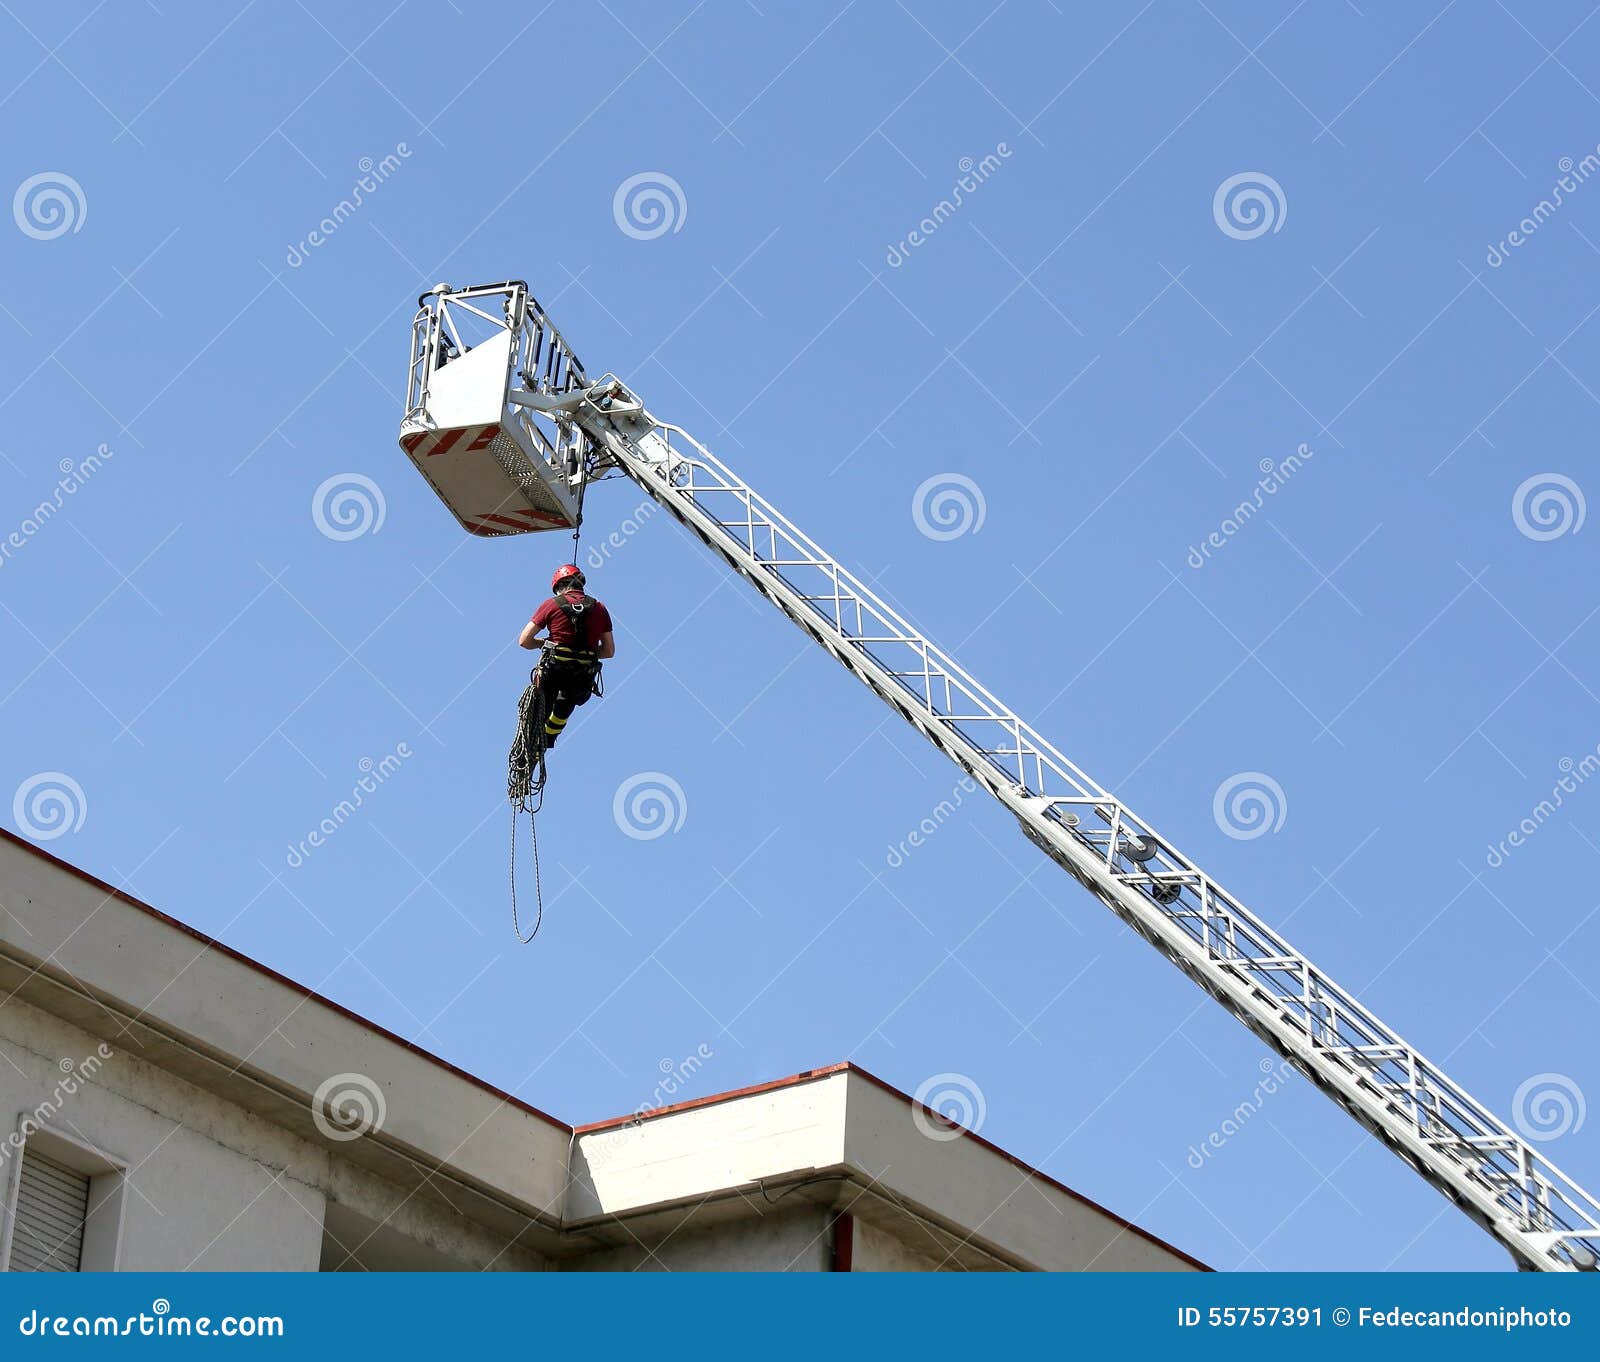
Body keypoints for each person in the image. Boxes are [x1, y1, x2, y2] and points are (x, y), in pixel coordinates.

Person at [518, 565, 615, 750]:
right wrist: (586, 652)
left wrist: (544, 644)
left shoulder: (551, 604)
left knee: (542, 702)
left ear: (559, 586)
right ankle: (548, 739)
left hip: (554, 670)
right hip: (582, 676)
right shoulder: (600, 608)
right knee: (567, 700)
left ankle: (532, 741)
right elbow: (609, 651)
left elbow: (524, 641)